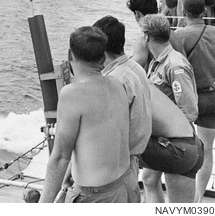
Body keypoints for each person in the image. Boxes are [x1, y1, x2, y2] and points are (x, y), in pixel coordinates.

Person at [39, 27, 138, 203]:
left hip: (97, 197)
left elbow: (61, 157)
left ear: (70, 55)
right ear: (102, 58)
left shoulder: (72, 94)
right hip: (127, 186)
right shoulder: (117, 84)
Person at [175, 0, 215, 202]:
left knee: (183, 147)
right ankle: (198, 197)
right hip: (213, 95)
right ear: (205, 12)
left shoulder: (178, 36)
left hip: (187, 98)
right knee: (207, 150)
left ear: (184, 10)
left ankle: (184, 196)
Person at [93, 16, 152, 173]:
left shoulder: (114, 80)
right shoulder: (135, 67)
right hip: (136, 152)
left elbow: (108, 129)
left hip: (121, 161)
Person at [139, 85, 204, 202]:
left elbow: (190, 110)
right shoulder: (147, 69)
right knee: (149, 179)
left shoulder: (174, 66)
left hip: (178, 143)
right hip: (165, 138)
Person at [139, 14, 198, 122]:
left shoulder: (175, 66)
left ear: (146, 37)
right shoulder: (158, 61)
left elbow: (189, 111)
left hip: (172, 135)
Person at [126, 0, 185, 70]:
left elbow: (132, 68)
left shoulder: (144, 40)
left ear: (137, 13)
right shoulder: (174, 35)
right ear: (157, 10)